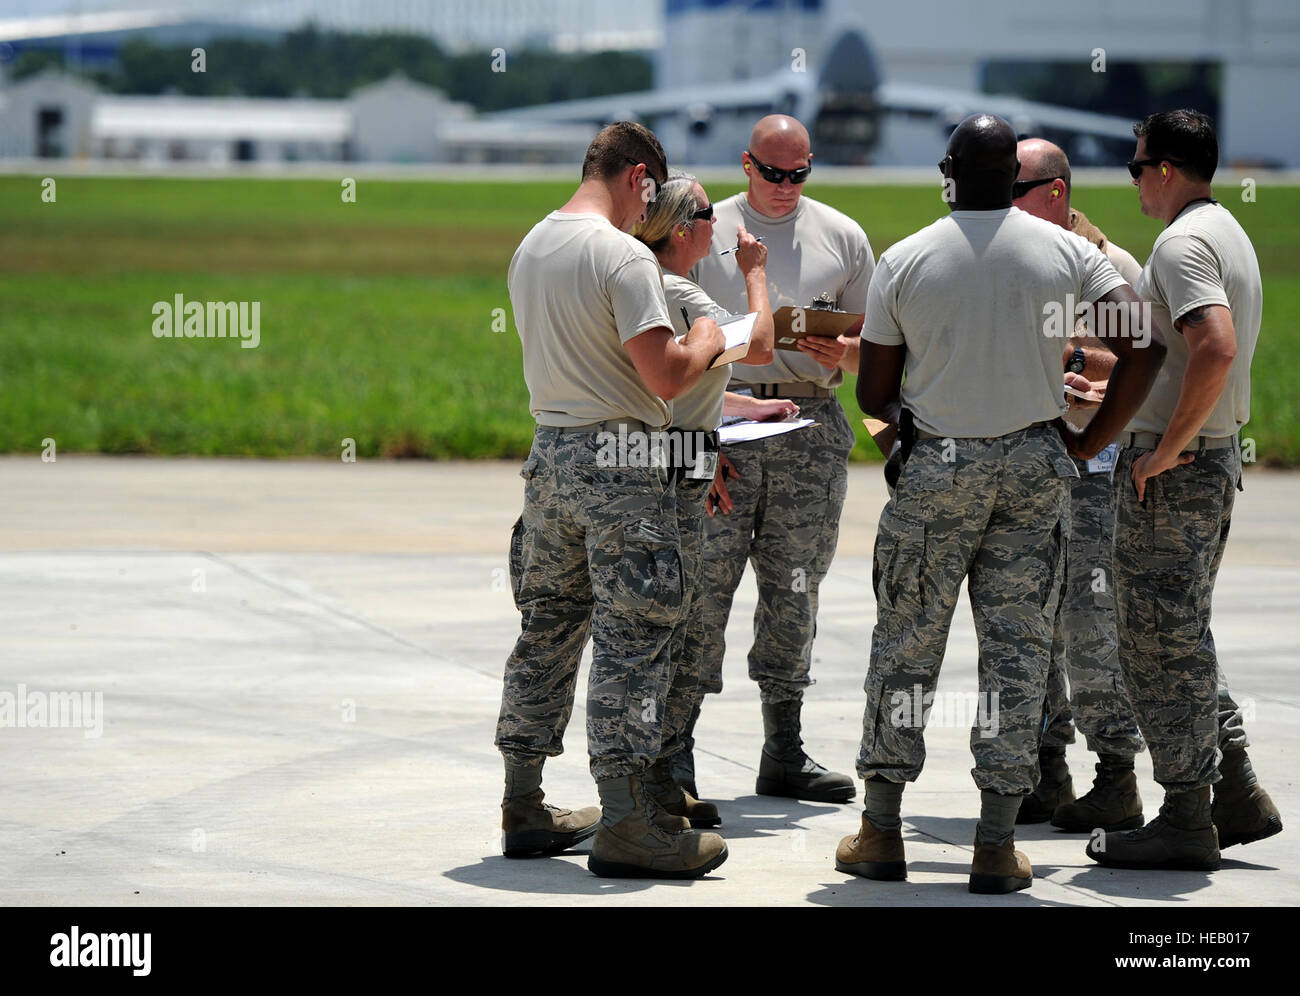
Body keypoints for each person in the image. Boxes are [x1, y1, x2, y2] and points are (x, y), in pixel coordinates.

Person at [834, 113, 1166, 894]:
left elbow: (876, 391)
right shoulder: (1065, 250)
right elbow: (1145, 341)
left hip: (939, 468)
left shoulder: (907, 259)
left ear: (950, 173)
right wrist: (1087, 442)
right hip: (1031, 467)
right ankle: (993, 842)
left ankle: (882, 829)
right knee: (1016, 655)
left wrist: (905, 453)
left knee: (907, 646)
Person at [495, 122, 730, 879]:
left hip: (550, 453)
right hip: (620, 461)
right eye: (652, 195)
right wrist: (709, 337)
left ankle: (523, 802)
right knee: (635, 638)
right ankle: (629, 822)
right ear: (637, 178)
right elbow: (664, 376)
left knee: (549, 629)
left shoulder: (532, 244)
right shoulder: (623, 256)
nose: (649, 212)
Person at [1087, 109, 1282, 871]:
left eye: (1137, 167)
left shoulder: (1182, 242)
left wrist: (1164, 449)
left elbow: (1216, 344)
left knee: (1155, 644)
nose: (1133, 180)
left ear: (1166, 168)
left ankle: (1184, 815)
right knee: (1184, 636)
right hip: (1209, 461)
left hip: (1181, 474)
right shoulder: (1224, 229)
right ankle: (1230, 795)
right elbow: (1180, 360)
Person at [685, 113, 875, 803]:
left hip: (809, 420)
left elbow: (875, 345)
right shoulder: (708, 232)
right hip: (724, 418)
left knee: (796, 588)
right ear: (746, 164)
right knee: (704, 587)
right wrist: (695, 437)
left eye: (799, 174)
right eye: (772, 172)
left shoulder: (843, 236)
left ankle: (784, 749)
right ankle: (677, 751)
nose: (786, 186)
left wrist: (842, 353)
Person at [632, 172, 791, 826]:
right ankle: (657, 779)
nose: (716, 223)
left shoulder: (650, 286)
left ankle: (661, 776)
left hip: (674, 459)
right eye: (703, 212)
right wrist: (756, 270)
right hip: (674, 473)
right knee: (675, 626)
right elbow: (759, 343)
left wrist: (743, 408)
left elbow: (681, 379)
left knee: (676, 623)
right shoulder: (678, 290)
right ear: (679, 229)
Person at [1008, 139, 1148, 834]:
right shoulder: (1014, 257)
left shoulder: (1110, 266)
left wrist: (1068, 360)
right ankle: (1046, 771)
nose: (1005, 200)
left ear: (1056, 193)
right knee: (1030, 627)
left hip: (1093, 470)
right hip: (1032, 467)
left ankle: (1116, 774)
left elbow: (1137, 357)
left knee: (1090, 628)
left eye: (1018, 187)